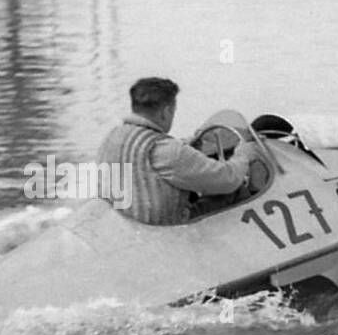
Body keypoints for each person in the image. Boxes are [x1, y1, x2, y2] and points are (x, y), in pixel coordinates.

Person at [96, 77, 258, 225]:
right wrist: (243, 156)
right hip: (169, 231)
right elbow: (229, 179)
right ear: (166, 112)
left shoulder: (112, 138)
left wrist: (187, 145)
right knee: (234, 192)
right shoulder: (167, 151)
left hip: (128, 224)